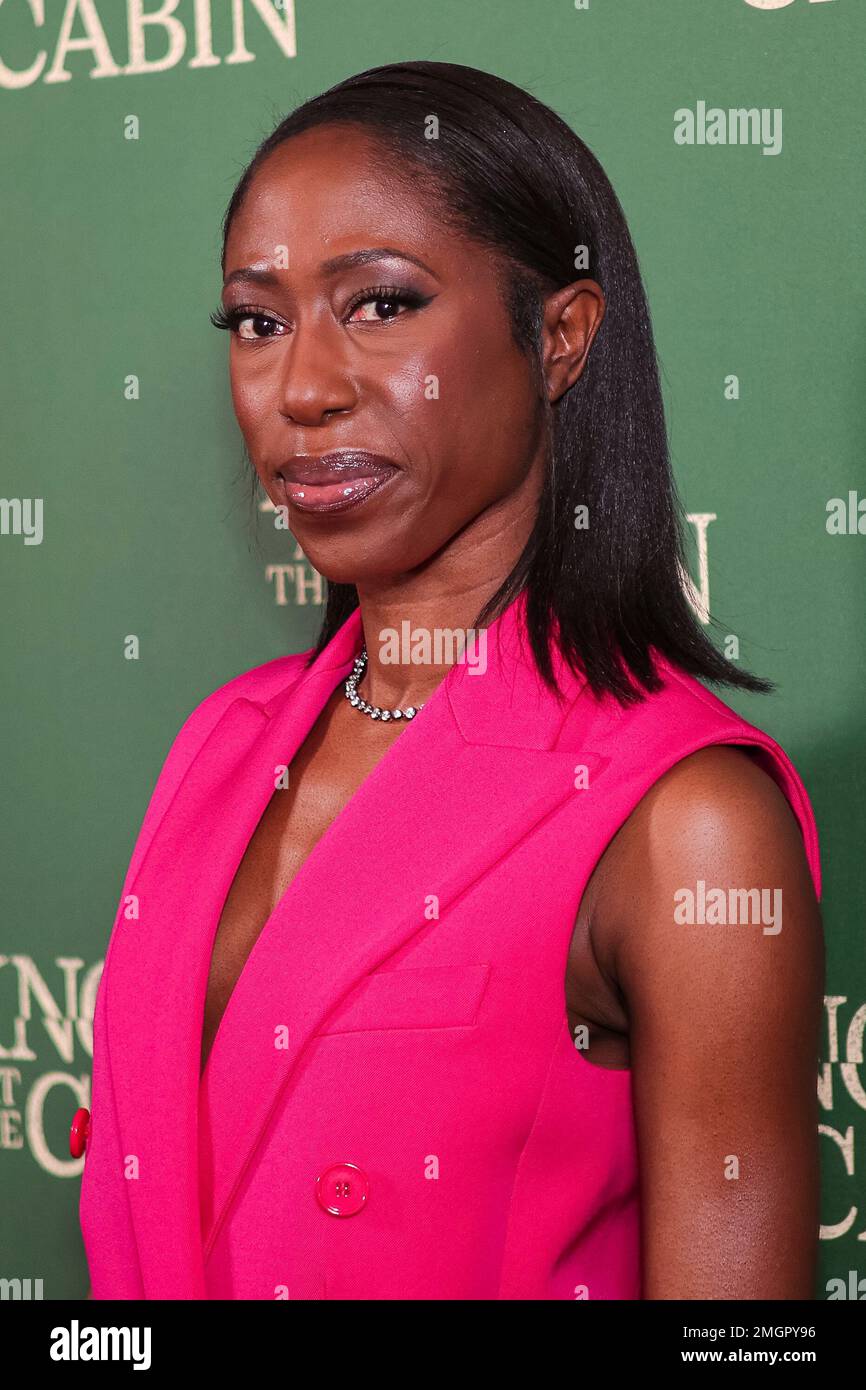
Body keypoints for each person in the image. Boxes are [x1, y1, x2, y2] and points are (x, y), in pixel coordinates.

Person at [78, 61, 823, 1301]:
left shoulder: (687, 826)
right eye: (257, 321)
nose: (301, 387)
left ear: (559, 337)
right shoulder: (218, 745)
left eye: (378, 304)